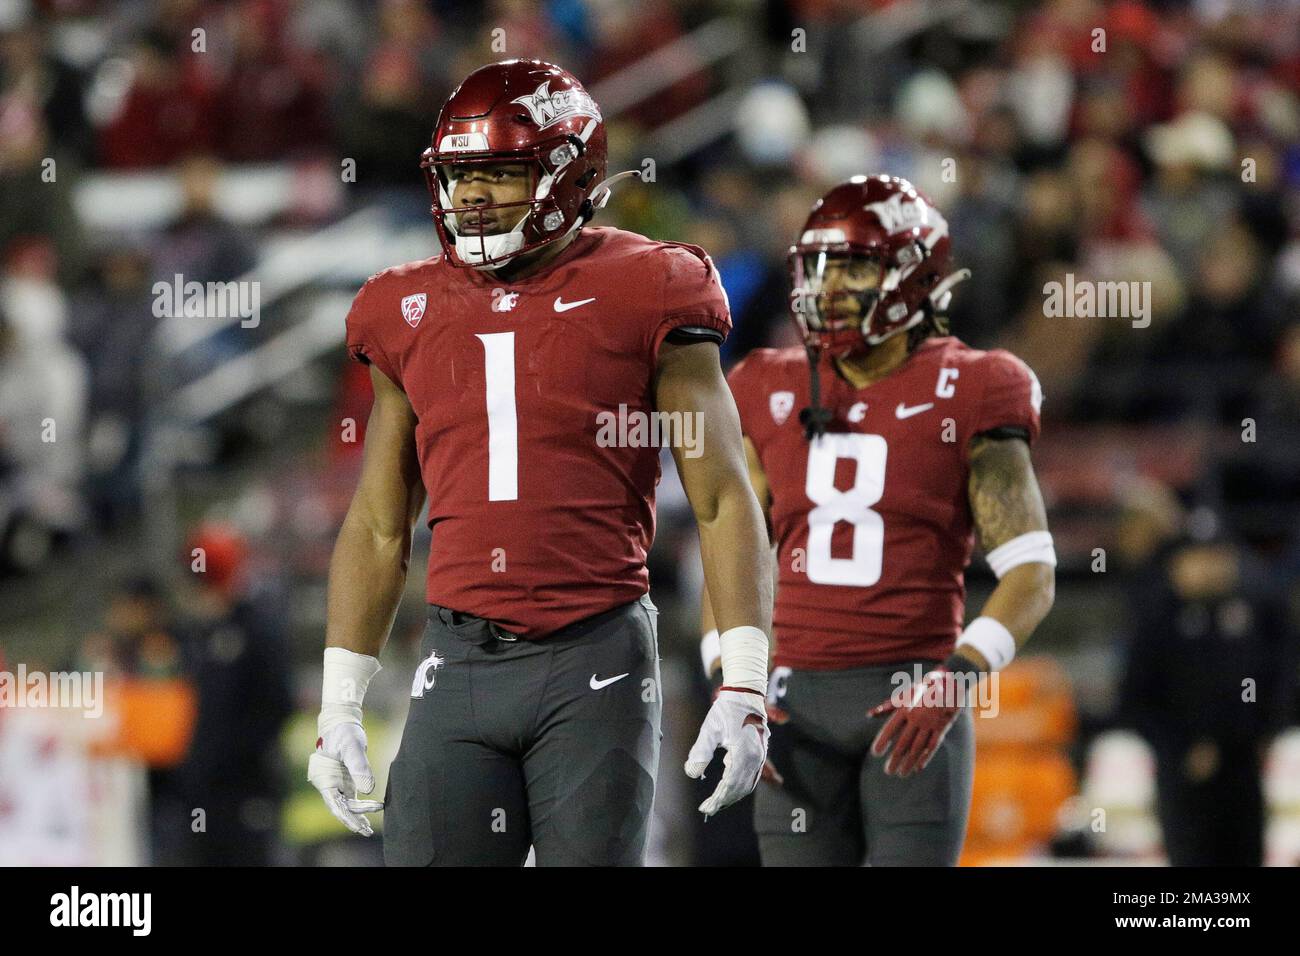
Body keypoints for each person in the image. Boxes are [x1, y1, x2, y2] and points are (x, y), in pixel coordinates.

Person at [308, 59, 772, 866]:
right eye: (461, 177)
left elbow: (725, 499)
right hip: (457, 660)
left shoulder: (649, 284)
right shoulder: (402, 307)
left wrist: (745, 678)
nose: (473, 197)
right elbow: (382, 522)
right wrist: (340, 700)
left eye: (497, 173)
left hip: (594, 654)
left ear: (567, 172)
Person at [703, 175, 1056, 865]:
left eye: (856, 265)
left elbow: (1032, 571)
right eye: (820, 266)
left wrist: (957, 677)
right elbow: (730, 551)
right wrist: (731, 675)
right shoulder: (764, 382)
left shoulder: (978, 384)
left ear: (914, 275)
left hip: (912, 696)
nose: (830, 286)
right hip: (788, 704)